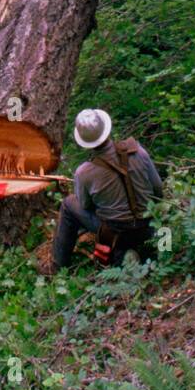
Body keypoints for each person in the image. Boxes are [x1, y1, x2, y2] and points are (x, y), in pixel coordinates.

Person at [50, 108, 163, 272]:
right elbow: (158, 189)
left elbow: (85, 206)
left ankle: (58, 266)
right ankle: (147, 251)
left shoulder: (84, 172)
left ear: (84, 142)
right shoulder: (138, 152)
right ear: (106, 130)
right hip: (147, 226)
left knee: (69, 204)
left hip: (117, 232)